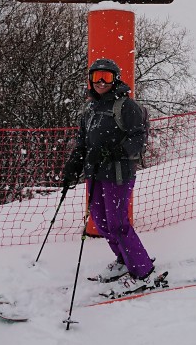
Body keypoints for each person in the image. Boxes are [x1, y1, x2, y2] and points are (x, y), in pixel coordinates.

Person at [61, 57, 156, 294]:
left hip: (118, 174)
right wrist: (73, 164)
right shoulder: (90, 110)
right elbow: (83, 143)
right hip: (95, 173)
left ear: (115, 80)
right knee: (101, 222)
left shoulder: (126, 106)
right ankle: (124, 259)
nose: (101, 82)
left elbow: (138, 138)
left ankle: (143, 271)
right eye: (96, 77)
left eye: (107, 77)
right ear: (90, 80)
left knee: (118, 223)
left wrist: (117, 150)